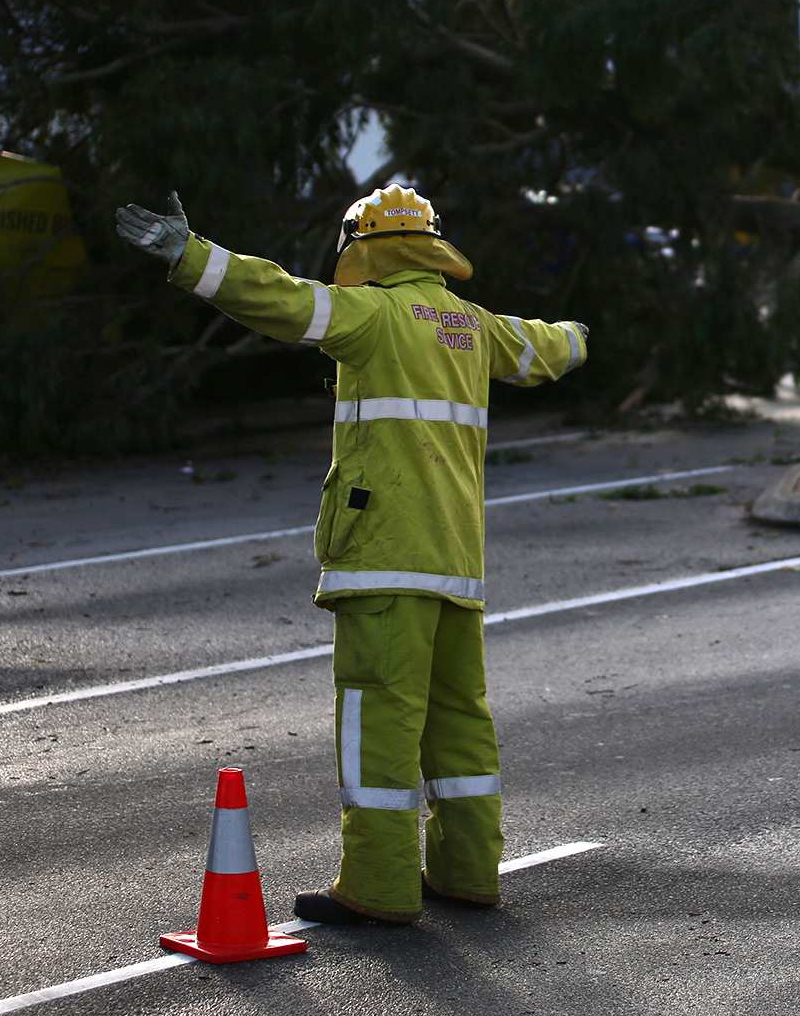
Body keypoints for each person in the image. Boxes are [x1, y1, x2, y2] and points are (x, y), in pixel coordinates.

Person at [115, 185, 589, 924]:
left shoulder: (374, 316)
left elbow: (279, 298)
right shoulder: (471, 325)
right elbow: (544, 346)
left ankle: (379, 884)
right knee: (459, 719)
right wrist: (579, 333)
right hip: (456, 565)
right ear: (431, 246)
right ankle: (468, 870)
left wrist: (189, 254)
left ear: (364, 247)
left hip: (383, 560)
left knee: (380, 721)